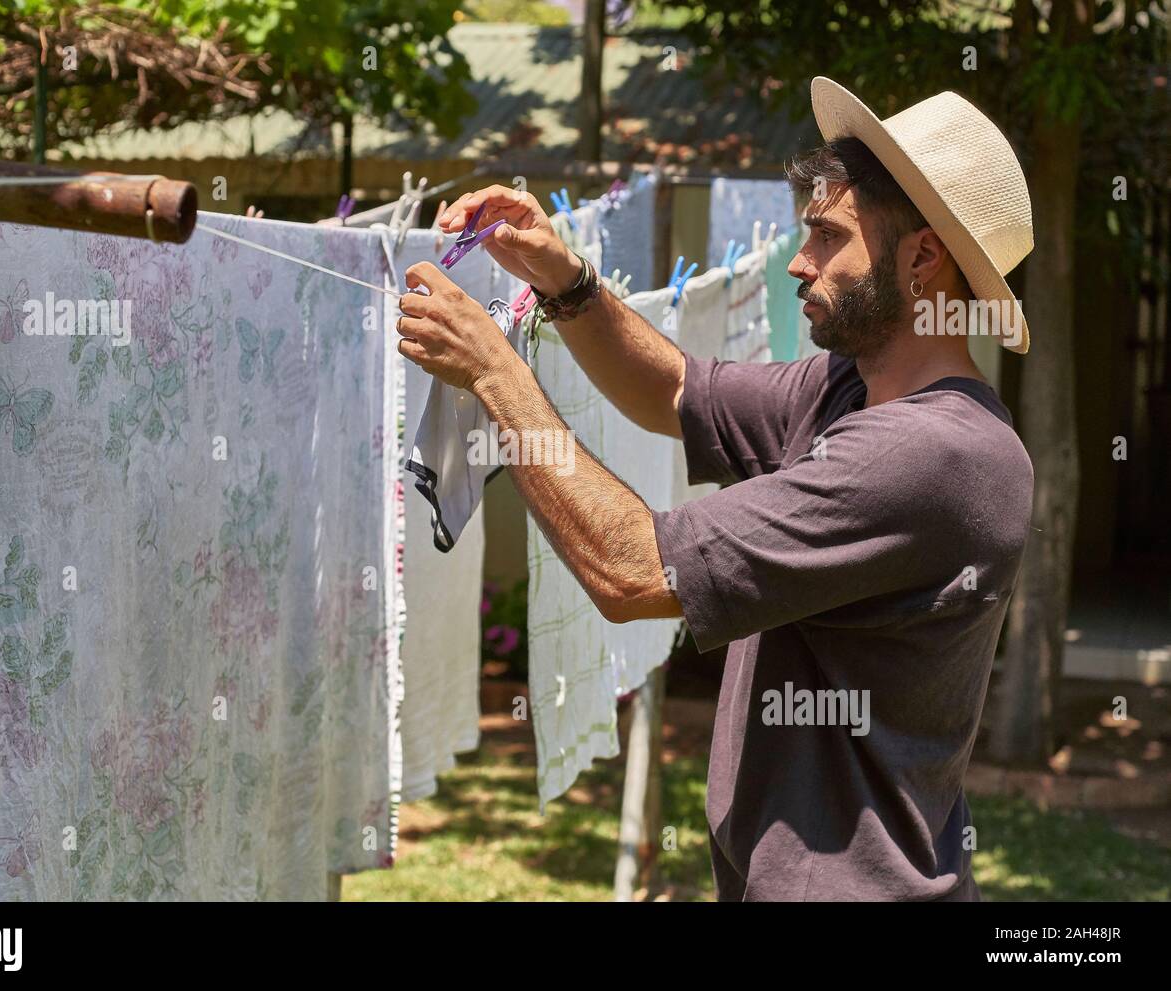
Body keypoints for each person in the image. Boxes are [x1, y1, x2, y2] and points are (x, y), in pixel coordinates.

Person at [395, 77, 1035, 901]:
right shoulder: (854, 387)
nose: (801, 263)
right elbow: (674, 389)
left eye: (830, 237)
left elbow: (630, 570)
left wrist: (495, 371)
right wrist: (563, 279)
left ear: (922, 258)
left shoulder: (933, 455)